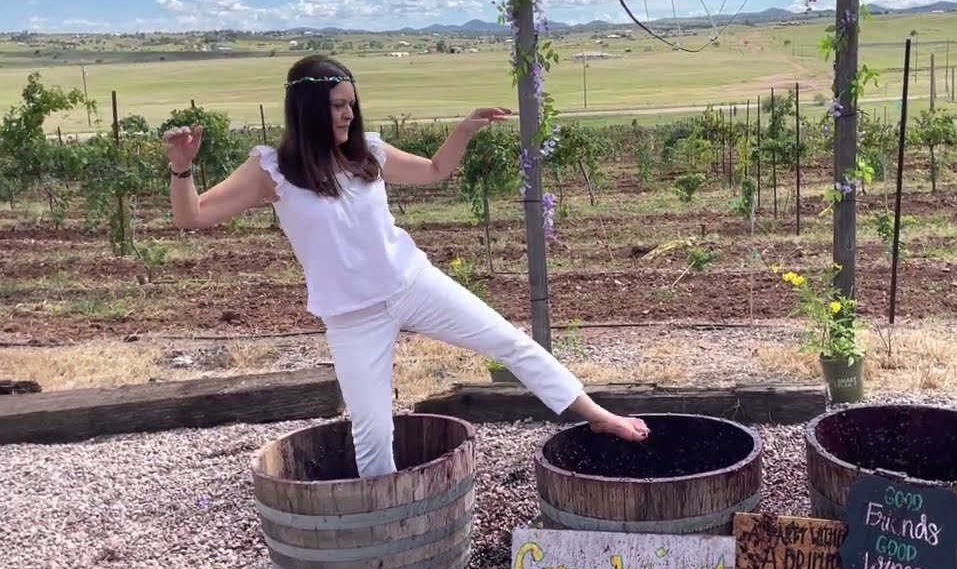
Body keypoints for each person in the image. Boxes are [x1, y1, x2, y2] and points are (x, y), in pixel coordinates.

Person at [162, 54, 650, 478]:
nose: (348, 113)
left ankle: (595, 413)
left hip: (412, 282)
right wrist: (182, 168)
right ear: (307, 109)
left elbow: (436, 171)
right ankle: (388, 528)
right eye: (337, 105)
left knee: (511, 342)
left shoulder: (368, 151)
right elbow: (193, 215)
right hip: (353, 315)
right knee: (373, 430)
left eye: (351, 103)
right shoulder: (272, 170)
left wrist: (464, 129)